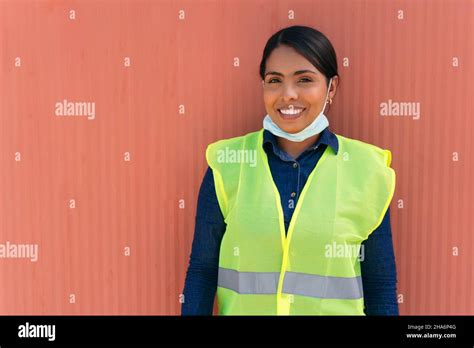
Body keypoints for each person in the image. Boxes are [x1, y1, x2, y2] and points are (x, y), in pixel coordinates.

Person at [182, 25, 399, 315]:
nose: (288, 95)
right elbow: (202, 272)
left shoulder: (367, 171)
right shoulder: (228, 163)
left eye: (304, 80)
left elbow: (380, 286)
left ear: (331, 87)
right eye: (274, 80)